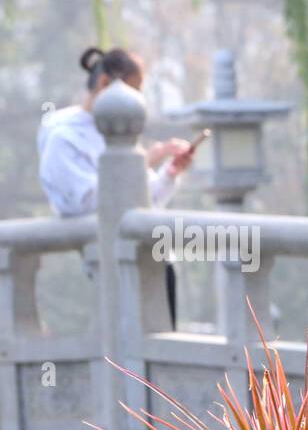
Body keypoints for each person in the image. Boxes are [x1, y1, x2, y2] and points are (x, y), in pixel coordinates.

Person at [37, 47, 194, 327]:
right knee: (128, 355)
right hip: (111, 263)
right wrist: (149, 157)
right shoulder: (63, 137)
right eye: (134, 92)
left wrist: (169, 173)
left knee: (156, 353)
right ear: (105, 84)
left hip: (152, 260)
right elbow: (88, 201)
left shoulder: (112, 128)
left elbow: (142, 201)